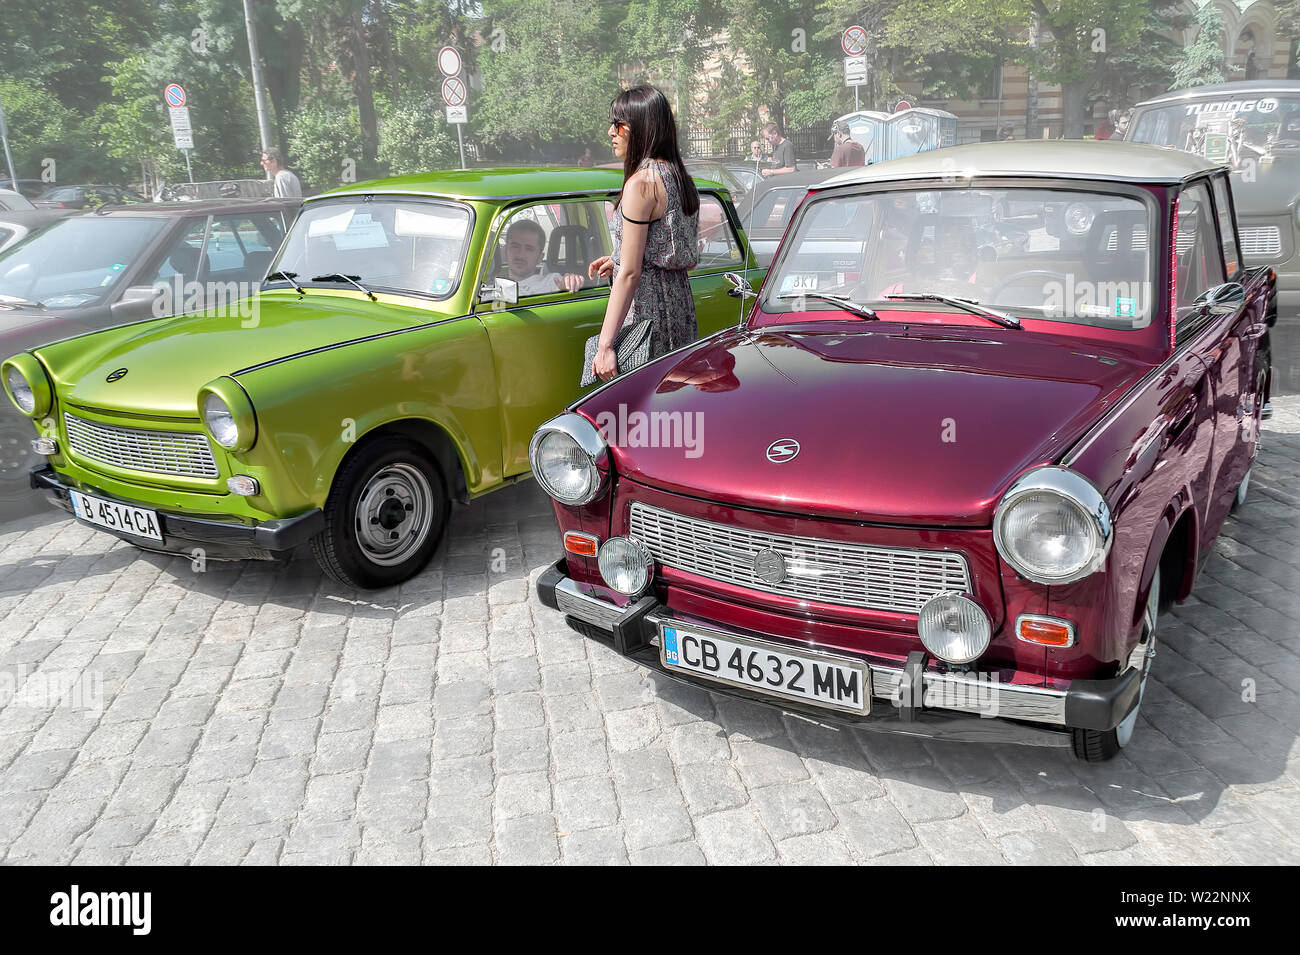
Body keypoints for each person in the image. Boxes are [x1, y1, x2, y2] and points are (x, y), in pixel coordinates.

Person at [588, 85, 701, 383]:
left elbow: (630, 274)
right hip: (680, 306)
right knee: (674, 404)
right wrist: (619, 257)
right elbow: (674, 249)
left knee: (640, 405)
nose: (611, 132)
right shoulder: (677, 176)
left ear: (640, 128)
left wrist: (604, 345)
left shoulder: (641, 183)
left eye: (618, 124)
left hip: (647, 313)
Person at [502, 219, 585, 295]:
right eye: (515, 246)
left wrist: (571, 282)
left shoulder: (552, 283)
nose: (521, 254)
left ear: (540, 258)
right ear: (505, 251)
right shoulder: (492, 285)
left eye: (529, 249)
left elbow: (565, 286)